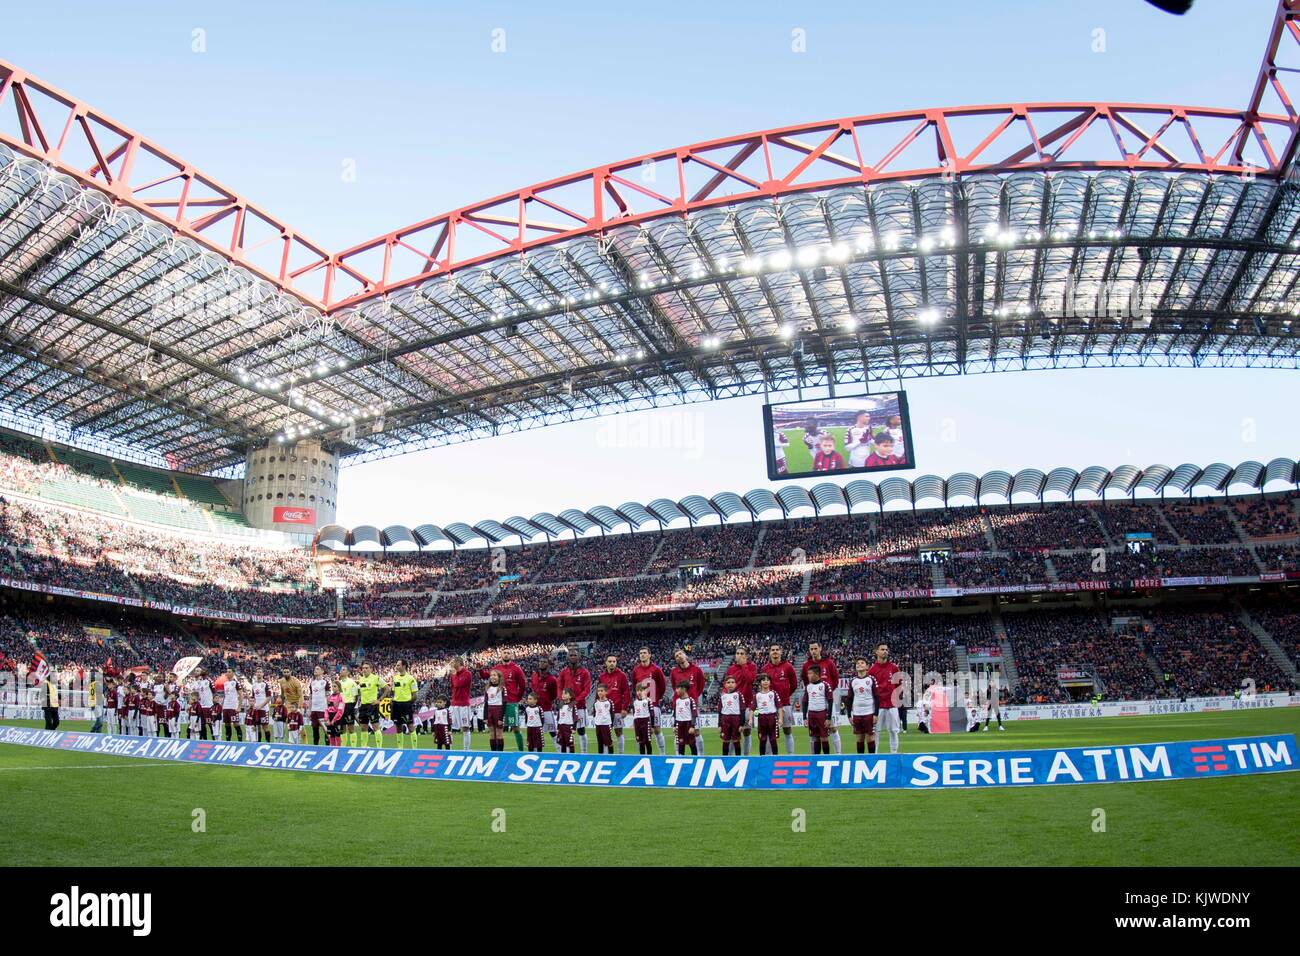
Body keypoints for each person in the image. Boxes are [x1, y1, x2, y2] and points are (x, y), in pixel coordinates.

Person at [802, 641, 842, 753]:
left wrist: (826, 692)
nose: (813, 651)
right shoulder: (806, 665)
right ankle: (814, 756)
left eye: (815, 648)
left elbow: (835, 680)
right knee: (814, 734)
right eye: (811, 649)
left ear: (820, 648)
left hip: (827, 700)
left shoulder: (829, 663)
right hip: (814, 702)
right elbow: (806, 681)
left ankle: (838, 754)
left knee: (833, 727)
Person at [761, 644, 798, 754]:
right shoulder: (765, 668)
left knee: (787, 730)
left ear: (781, 652)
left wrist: (785, 695)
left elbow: (794, 684)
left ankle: (791, 755)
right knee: (769, 732)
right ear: (769, 652)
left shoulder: (788, 666)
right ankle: (769, 757)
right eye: (773, 650)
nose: (775, 652)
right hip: (769, 706)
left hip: (785, 704)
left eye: (777, 650)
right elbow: (762, 685)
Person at [631, 647, 668, 754]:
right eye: (641, 653)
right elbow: (635, 686)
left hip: (653, 704)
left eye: (644, 653)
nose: (642, 655)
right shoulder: (636, 670)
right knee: (641, 733)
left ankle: (662, 754)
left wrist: (655, 699)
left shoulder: (656, 669)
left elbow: (662, 686)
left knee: (656, 729)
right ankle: (641, 755)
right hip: (640, 706)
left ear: (649, 655)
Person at [670, 648, 706, 754]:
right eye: (676, 656)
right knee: (677, 732)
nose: (679, 656)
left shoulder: (696, 670)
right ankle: (678, 756)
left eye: (680, 654)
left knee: (696, 731)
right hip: (678, 706)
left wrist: (693, 697)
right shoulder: (674, 672)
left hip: (692, 706)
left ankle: (701, 756)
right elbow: (674, 687)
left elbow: (700, 686)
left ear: (685, 655)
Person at [868, 643, 902, 754]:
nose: (885, 651)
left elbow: (899, 685)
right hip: (878, 706)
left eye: (886, 649)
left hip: (892, 705)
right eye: (882, 649)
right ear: (876, 651)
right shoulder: (872, 670)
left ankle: (894, 754)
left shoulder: (894, 668)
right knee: (875, 732)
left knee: (893, 731)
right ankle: (875, 755)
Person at [723, 645, 758, 754]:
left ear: (746, 656)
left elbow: (750, 679)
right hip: (732, 707)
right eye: (738, 653)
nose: (739, 655)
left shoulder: (751, 666)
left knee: (746, 732)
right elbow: (726, 686)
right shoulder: (731, 669)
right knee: (733, 733)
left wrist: (744, 666)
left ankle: (746, 756)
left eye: (742, 653)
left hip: (747, 705)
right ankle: (730, 757)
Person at [557, 649, 593, 753]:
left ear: (579, 657)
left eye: (575, 655)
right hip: (566, 707)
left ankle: (584, 754)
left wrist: (576, 701)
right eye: (571, 655)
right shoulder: (563, 672)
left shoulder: (584, 672)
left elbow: (587, 690)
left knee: (581, 731)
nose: (573, 657)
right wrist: (561, 699)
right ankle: (567, 755)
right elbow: (559, 687)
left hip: (580, 706)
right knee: (565, 731)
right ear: (567, 657)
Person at [597, 655, 631, 754]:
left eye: (614, 661)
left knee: (618, 732)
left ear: (616, 663)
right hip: (603, 711)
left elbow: (627, 692)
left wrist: (624, 708)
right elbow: (598, 693)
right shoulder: (602, 676)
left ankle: (620, 755)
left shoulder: (621, 675)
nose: (612, 663)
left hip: (617, 710)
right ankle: (606, 756)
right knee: (604, 734)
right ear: (606, 663)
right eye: (610, 661)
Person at [846, 658, 877, 753]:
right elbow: (850, 699)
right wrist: (849, 715)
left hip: (869, 713)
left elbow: (877, 697)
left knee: (870, 737)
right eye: (858, 663)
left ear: (867, 666)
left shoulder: (871, 679)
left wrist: (876, 714)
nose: (859, 664)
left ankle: (872, 759)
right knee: (859, 738)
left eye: (862, 663)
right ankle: (860, 760)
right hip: (857, 714)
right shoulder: (853, 681)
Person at [801, 663, 832, 754]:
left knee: (824, 737)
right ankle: (816, 759)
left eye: (810, 673)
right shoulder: (808, 687)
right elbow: (805, 702)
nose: (808, 675)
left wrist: (829, 718)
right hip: (811, 714)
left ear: (816, 674)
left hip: (822, 714)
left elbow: (830, 701)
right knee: (815, 738)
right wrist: (804, 717)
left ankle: (827, 759)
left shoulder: (825, 685)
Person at [389, 660, 419, 749]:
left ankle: (415, 748)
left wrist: (408, 702)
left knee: (410, 726)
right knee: (398, 727)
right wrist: (394, 700)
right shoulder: (395, 678)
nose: (396, 666)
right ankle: (400, 748)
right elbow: (394, 691)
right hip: (396, 705)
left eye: (398, 665)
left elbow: (415, 695)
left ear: (404, 666)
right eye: (396, 665)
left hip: (406, 705)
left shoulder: (411, 678)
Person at [356, 662, 385, 748]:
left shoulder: (376, 678)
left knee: (375, 727)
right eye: (363, 668)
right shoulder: (361, 679)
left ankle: (379, 748)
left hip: (372, 706)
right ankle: (364, 746)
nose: (364, 669)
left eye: (366, 668)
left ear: (371, 669)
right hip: (363, 706)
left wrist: (379, 700)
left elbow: (387, 689)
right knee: (363, 727)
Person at [449, 657, 474, 750]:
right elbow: (453, 687)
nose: (451, 664)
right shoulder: (453, 675)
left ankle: (466, 750)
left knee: (465, 727)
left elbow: (457, 684)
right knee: (449, 727)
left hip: (463, 705)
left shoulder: (467, 673)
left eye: (453, 662)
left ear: (459, 663)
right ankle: (450, 749)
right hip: (454, 704)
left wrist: (454, 675)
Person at [717, 675, 743, 756]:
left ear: (735, 684)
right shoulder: (723, 696)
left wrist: (741, 724)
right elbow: (720, 711)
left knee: (736, 740)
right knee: (725, 740)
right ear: (725, 685)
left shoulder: (738, 695)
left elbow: (742, 710)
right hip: (725, 719)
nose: (730, 684)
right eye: (728, 682)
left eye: (732, 682)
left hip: (736, 719)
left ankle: (738, 758)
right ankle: (724, 758)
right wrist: (719, 724)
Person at [672, 682, 698, 755]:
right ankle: (681, 760)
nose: (676, 690)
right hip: (679, 724)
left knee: (692, 744)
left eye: (678, 688)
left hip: (688, 724)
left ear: (684, 689)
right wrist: (674, 726)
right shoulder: (677, 701)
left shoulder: (690, 700)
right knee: (681, 744)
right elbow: (675, 714)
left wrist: (692, 726)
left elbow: (694, 714)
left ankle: (695, 760)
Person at [483, 668, 506, 752]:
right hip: (489, 711)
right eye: (491, 675)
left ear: (499, 677)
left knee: (499, 733)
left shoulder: (502, 688)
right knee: (492, 733)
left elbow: (504, 703)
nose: (492, 677)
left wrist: (501, 717)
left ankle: (500, 753)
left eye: (494, 675)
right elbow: (486, 703)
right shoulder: (487, 688)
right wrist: (485, 717)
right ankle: (493, 752)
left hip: (498, 710)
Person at [307, 665, 330, 746]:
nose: (315, 670)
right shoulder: (312, 683)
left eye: (317, 669)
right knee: (314, 729)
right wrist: (309, 709)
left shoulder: (325, 682)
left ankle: (328, 746)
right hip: (314, 710)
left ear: (322, 671)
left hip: (322, 709)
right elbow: (311, 697)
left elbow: (328, 696)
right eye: (315, 668)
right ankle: (315, 746)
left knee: (325, 729)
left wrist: (328, 709)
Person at [338, 665, 359, 747]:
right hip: (340, 707)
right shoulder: (338, 682)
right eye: (341, 669)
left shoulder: (352, 682)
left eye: (343, 669)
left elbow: (356, 695)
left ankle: (353, 746)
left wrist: (352, 706)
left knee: (351, 728)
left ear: (348, 672)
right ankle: (343, 747)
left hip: (349, 706)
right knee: (342, 728)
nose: (341, 671)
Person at [249, 669, 271, 743]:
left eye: (260, 672)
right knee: (257, 727)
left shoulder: (266, 684)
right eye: (257, 672)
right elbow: (253, 697)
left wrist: (261, 705)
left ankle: (268, 742)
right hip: (256, 709)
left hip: (264, 709)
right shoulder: (254, 685)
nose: (259, 673)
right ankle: (259, 743)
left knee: (265, 727)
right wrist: (253, 706)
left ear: (263, 674)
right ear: (256, 674)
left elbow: (268, 697)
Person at [630, 685, 654, 755]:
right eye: (638, 691)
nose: (639, 692)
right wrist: (633, 724)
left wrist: (652, 726)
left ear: (645, 691)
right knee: (640, 742)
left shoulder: (648, 700)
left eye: (641, 690)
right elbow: (634, 714)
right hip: (637, 722)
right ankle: (642, 757)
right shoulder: (635, 702)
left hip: (645, 722)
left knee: (647, 742)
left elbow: (652, 714)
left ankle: (650, 757)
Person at [592, 684, 615, 754]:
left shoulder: (609, 702)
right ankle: (600, 757)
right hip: (598, 724)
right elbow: (594, 713)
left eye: (601, 691)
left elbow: (612, 714)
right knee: (600, 742)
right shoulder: (596, 702)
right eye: (598, 691)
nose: (599, 692)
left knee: (609, 742)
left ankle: (611, 757)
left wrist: (611, 724)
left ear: (606, 692)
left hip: (606, 724)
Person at [219, 669, 241, 742]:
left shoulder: (236, 682)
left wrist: (239, 707)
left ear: (233, 673)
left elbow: (241, 694)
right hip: (226, 706)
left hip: (233, 706)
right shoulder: (225, 683)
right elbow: (225, 695)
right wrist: (222, 705)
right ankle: (228, 741)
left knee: (236, 723)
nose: (227, 673)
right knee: (227, 724)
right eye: (227, 671)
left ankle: (240, 741)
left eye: (229, 672)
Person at [984, 666, 1005, 731]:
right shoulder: (989, 689)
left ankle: (1000, 726)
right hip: (990, 702)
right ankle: (986, 726)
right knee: (989, 715)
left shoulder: (996, 689)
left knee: (998, 714)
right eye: (991, 683)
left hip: (995, 703)